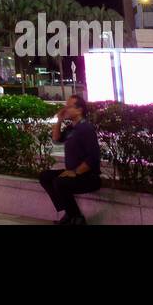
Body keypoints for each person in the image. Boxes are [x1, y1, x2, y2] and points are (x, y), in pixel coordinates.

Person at [39, 95, 101, 225]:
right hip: (73, 172)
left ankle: (77, 217)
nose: (65, 109)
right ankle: (69, 212)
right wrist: (59, 120)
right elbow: (56, 139)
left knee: (59, 182)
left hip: (88, 177)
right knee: (45, 176)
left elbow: (93, 157)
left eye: (69, 107)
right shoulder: (72, 128)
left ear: (79, 110)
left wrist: (76, 172)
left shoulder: (86, 129)